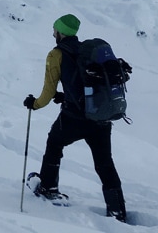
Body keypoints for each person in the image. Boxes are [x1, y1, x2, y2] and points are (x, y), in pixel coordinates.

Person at [24, 14, 126, 222]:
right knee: (104, 163)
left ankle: (48, 188)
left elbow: (47, 92)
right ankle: (117, 211)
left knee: (54, 144)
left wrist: (34, 104)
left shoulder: (56, 54)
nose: (53, 33)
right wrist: (66, 96)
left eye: (55, 29)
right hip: (100, 117)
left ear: (61, 32)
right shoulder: (86, 51)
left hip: (74, 118)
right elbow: (84, 83)